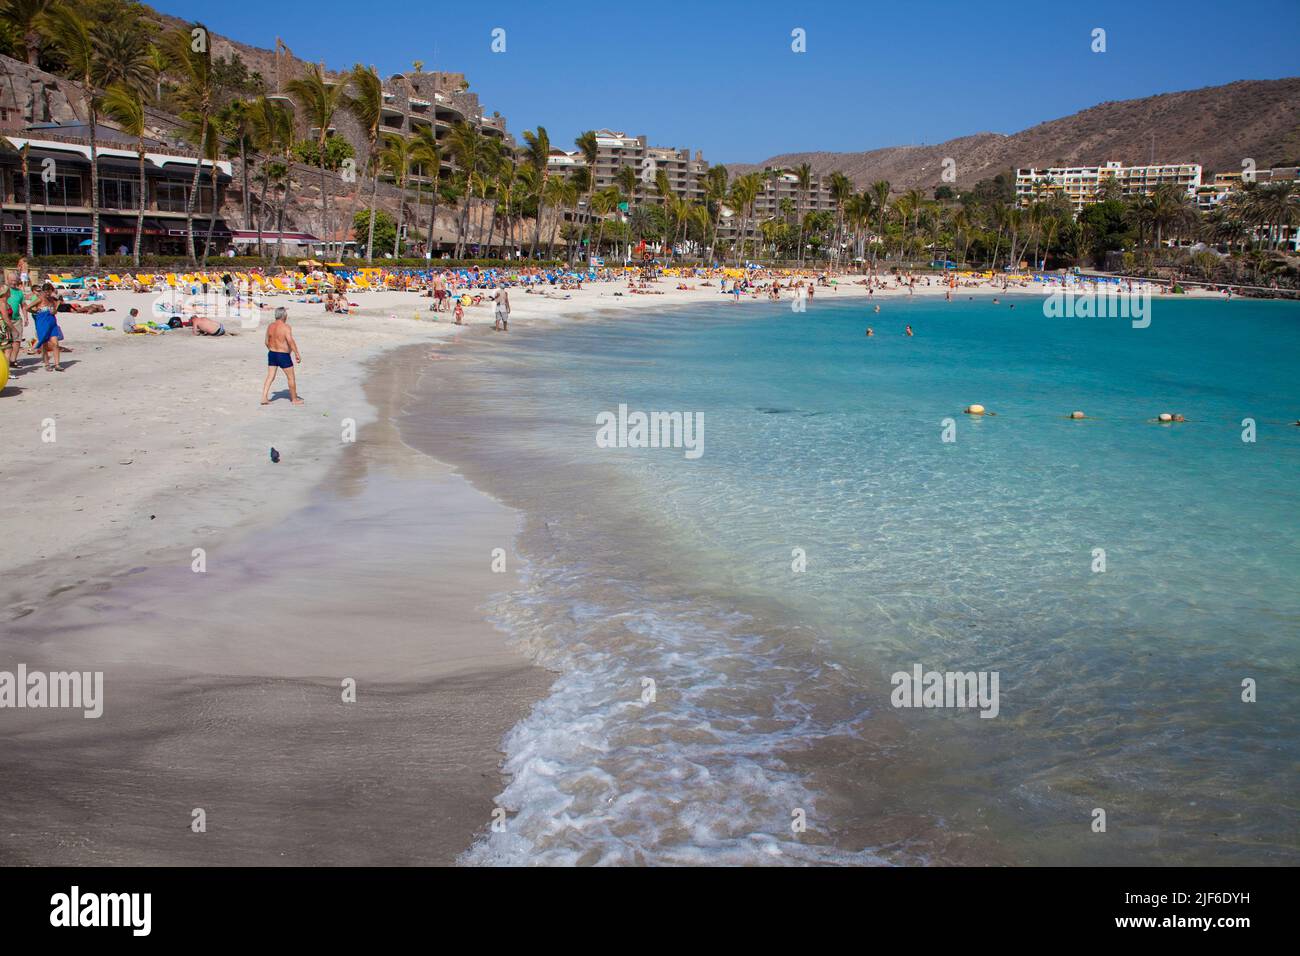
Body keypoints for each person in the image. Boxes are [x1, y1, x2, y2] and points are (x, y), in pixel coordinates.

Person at [260, 307, 302, 405]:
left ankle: (264, 397)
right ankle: (294, 399)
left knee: (270, 376)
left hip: (272, 354)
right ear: (284, 316)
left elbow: (266, 342)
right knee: (291, 377)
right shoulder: (286, 327)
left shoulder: (270, 326)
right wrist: (296, 353)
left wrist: (273, 350)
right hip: (283, 355)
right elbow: (290, 341)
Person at [32, 282, 64, 371]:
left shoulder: (52, 300)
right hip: (42, 323)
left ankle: (57, 365)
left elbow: (54, 312)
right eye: (45, 292)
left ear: (51, 291)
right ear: (43, 291)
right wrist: (36, 311)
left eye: (49, 292)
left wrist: (54, 310)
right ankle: (47, 364)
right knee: (44, 344)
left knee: (56, 344)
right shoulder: (40, 299)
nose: (47, 293)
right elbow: (28, 308)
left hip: (52, 323)